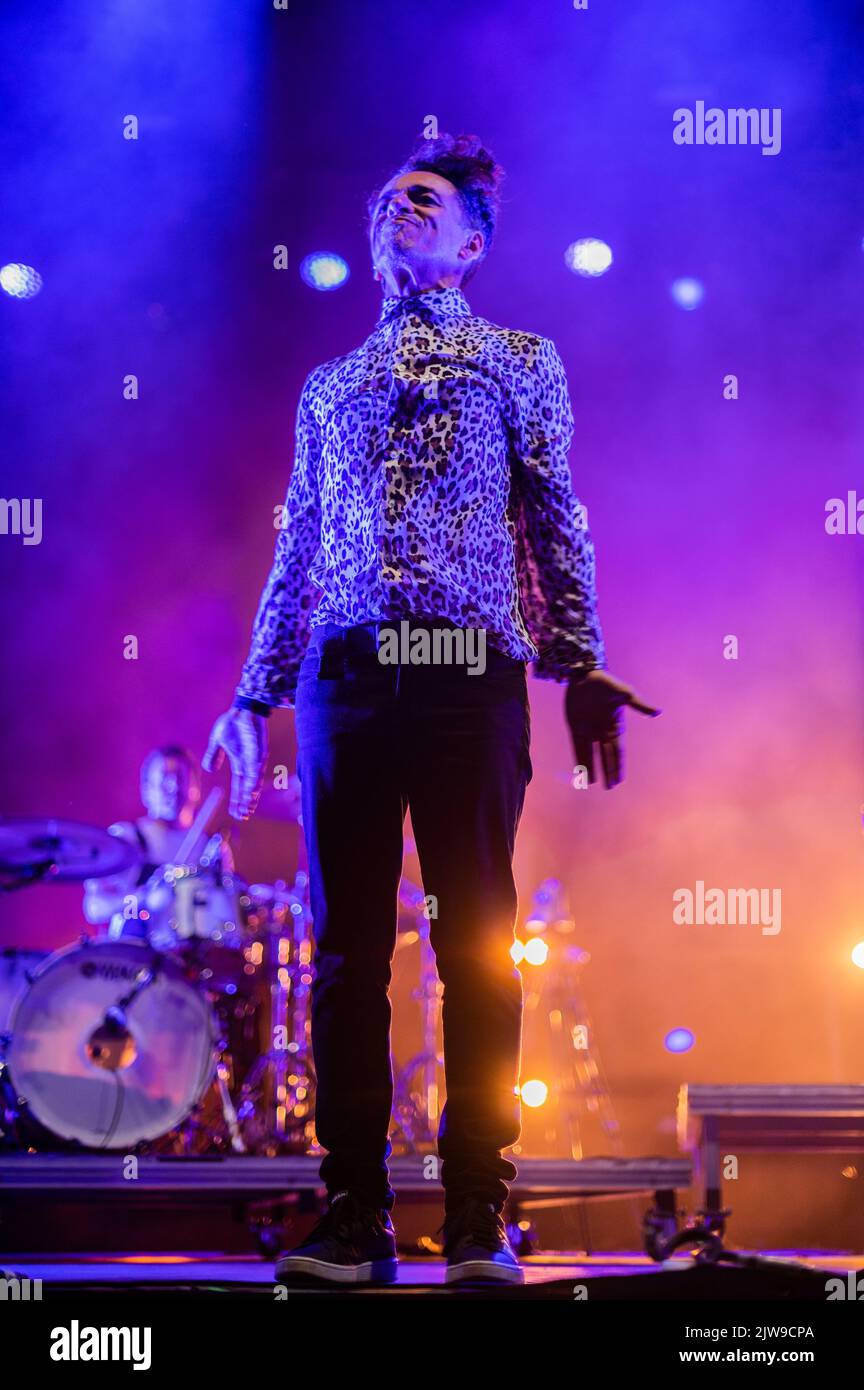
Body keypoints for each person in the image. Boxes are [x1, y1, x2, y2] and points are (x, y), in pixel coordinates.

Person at [204, 133, 660, 1286]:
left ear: (470, 244)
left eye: (425, 201)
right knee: (349, 953)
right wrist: (255, 690)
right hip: (349, 679)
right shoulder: (329, 389)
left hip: (468, 670)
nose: (396, 212)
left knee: (477, 946)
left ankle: (475, 1212)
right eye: (385, 201)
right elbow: (298, 547)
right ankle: (352, 1211)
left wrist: (581, 657)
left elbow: (559, 512)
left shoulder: (519, 359)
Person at [83, 745, 231, 938]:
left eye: (180, 777)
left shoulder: (211, 848)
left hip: (190, 961)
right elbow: (94, 909)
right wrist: (144, 898)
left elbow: (226, 918)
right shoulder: (125, 838)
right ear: (146, 790)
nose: (173, 786)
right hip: (133, 958)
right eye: (164, 779)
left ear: (195, 788)